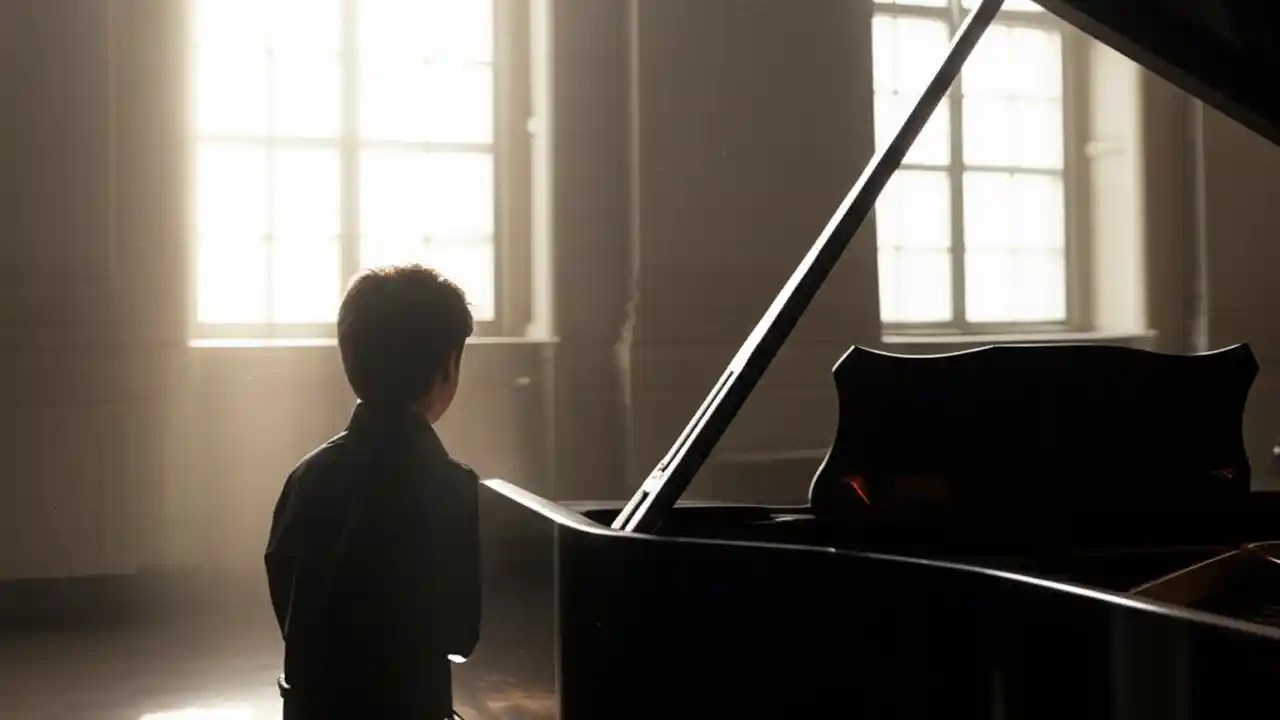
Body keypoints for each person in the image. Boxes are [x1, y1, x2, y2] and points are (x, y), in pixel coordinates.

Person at [265, 265, 481, 719]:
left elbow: (290, 607)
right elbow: (461, 635)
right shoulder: (449, 487)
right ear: (448, 366)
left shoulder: (306, 476)